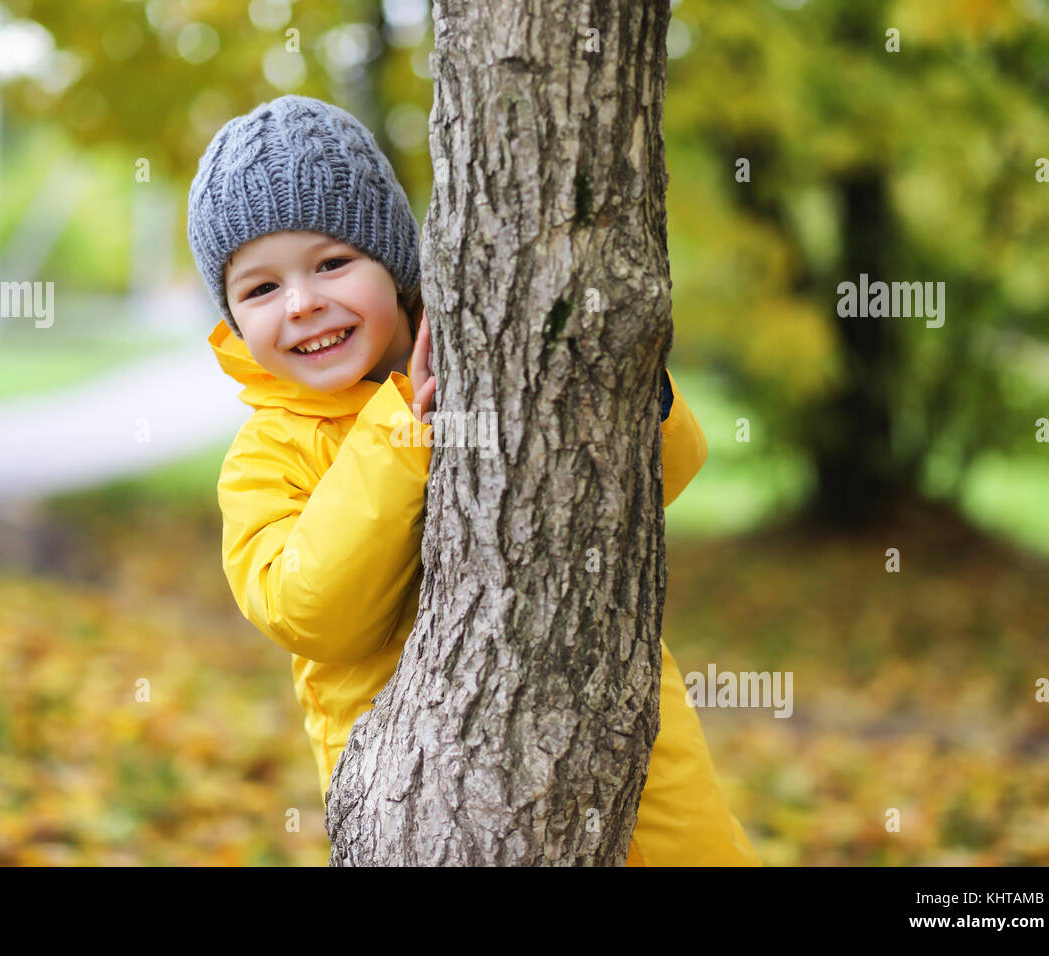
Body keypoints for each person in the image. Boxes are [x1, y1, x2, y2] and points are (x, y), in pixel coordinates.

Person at [187, 94, 761, 866]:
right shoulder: (268, 453)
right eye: (260, 288)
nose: (303, 303)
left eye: (331, 263)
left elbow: (649, 489)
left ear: (393, 265)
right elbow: (311, 612)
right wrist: (405, 431)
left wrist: (637, 394)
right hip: (431, 784)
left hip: (610, 712)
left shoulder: (484, 355)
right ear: (230, 314)